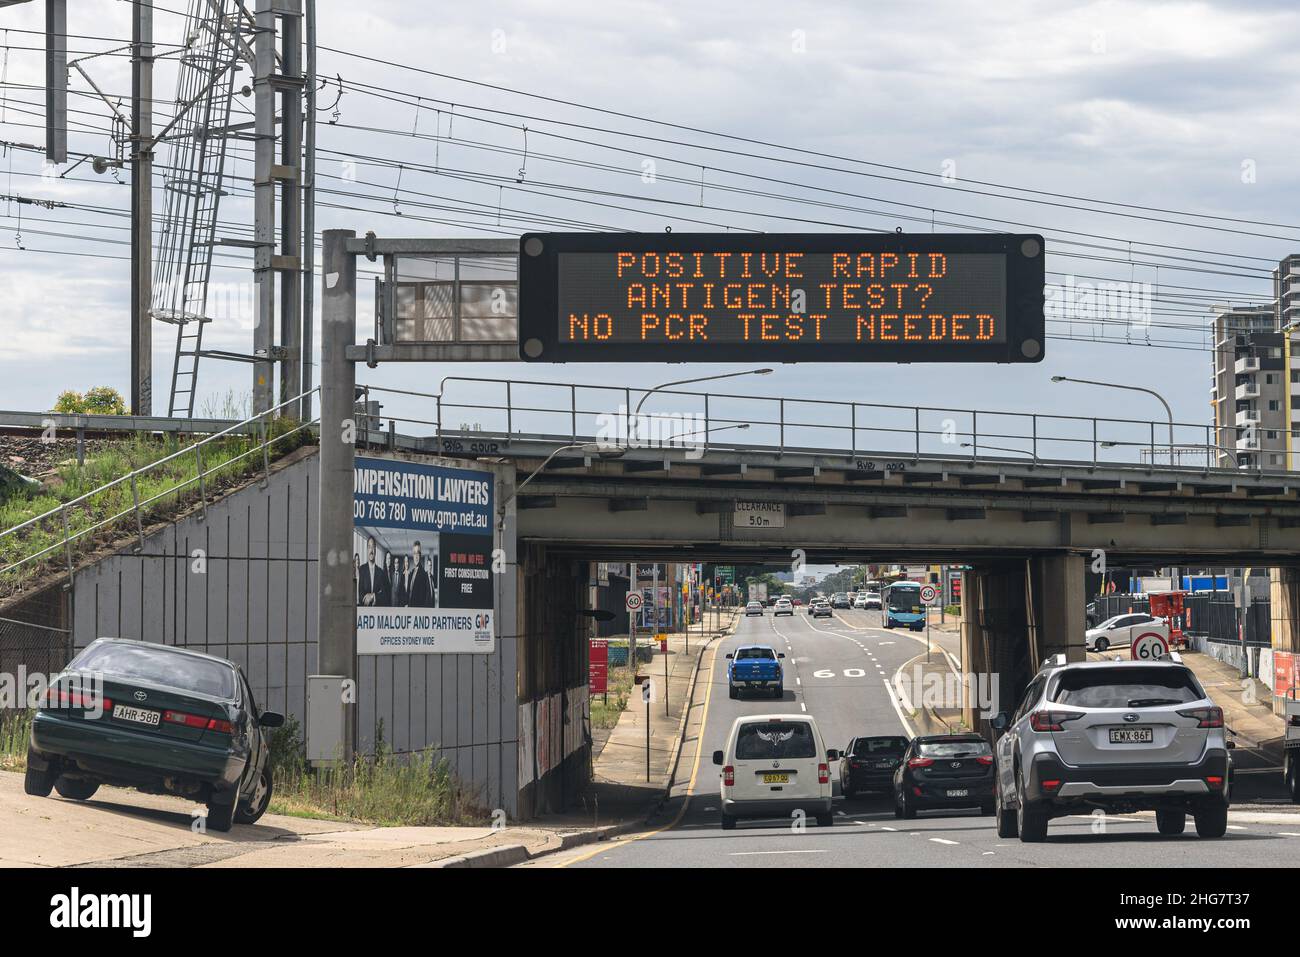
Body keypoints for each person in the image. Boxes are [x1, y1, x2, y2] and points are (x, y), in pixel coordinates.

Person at [357, 537, 389, 607]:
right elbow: (360, 595)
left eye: (373, 547)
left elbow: (384, 595)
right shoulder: (362, 569)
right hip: (364, 611)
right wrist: (366, 599)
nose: (371, 550)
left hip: (377, 613)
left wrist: (373, 596)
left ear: (375, 550)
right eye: (369, 547)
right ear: (367, 550)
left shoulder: (381, 572)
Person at [408, 540, 434, 608]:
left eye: (418, 553)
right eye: (414, 553)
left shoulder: (424, 575)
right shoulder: (411, 573)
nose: (416, 556)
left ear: (420, 555)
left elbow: (425, 600)